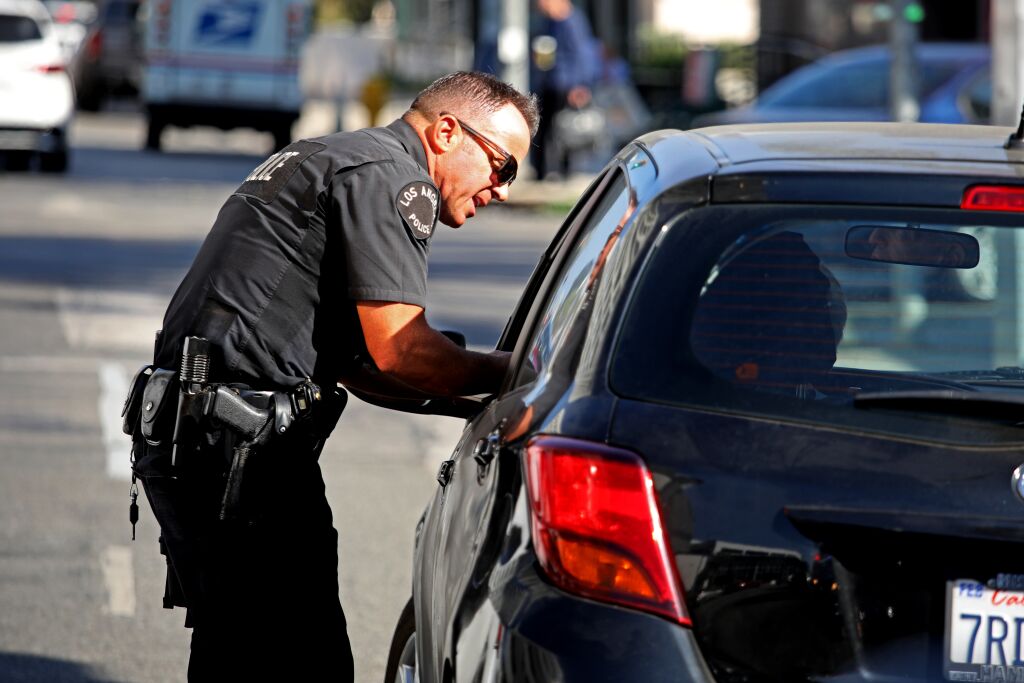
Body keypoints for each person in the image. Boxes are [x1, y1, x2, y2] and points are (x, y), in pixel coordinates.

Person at [127, 71, 538, 681]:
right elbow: (402, 350)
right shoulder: (394, 177)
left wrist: (470, 400)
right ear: (448, 132)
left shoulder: (336, 154)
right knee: (305, 659)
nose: (502, 190)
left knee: (237, 652)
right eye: (501, 167)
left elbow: (362, 365)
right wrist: (524, 370)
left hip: (204, 440)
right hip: (239, 454)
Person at [531, 0, 599, 180]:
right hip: (550, 81)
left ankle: (562, 169)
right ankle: (542, 171)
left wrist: (580, 85)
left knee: (562, 127)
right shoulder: (549, 22)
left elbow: (582, 53)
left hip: (565, 84)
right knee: (545, 127)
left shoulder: (571, 21)